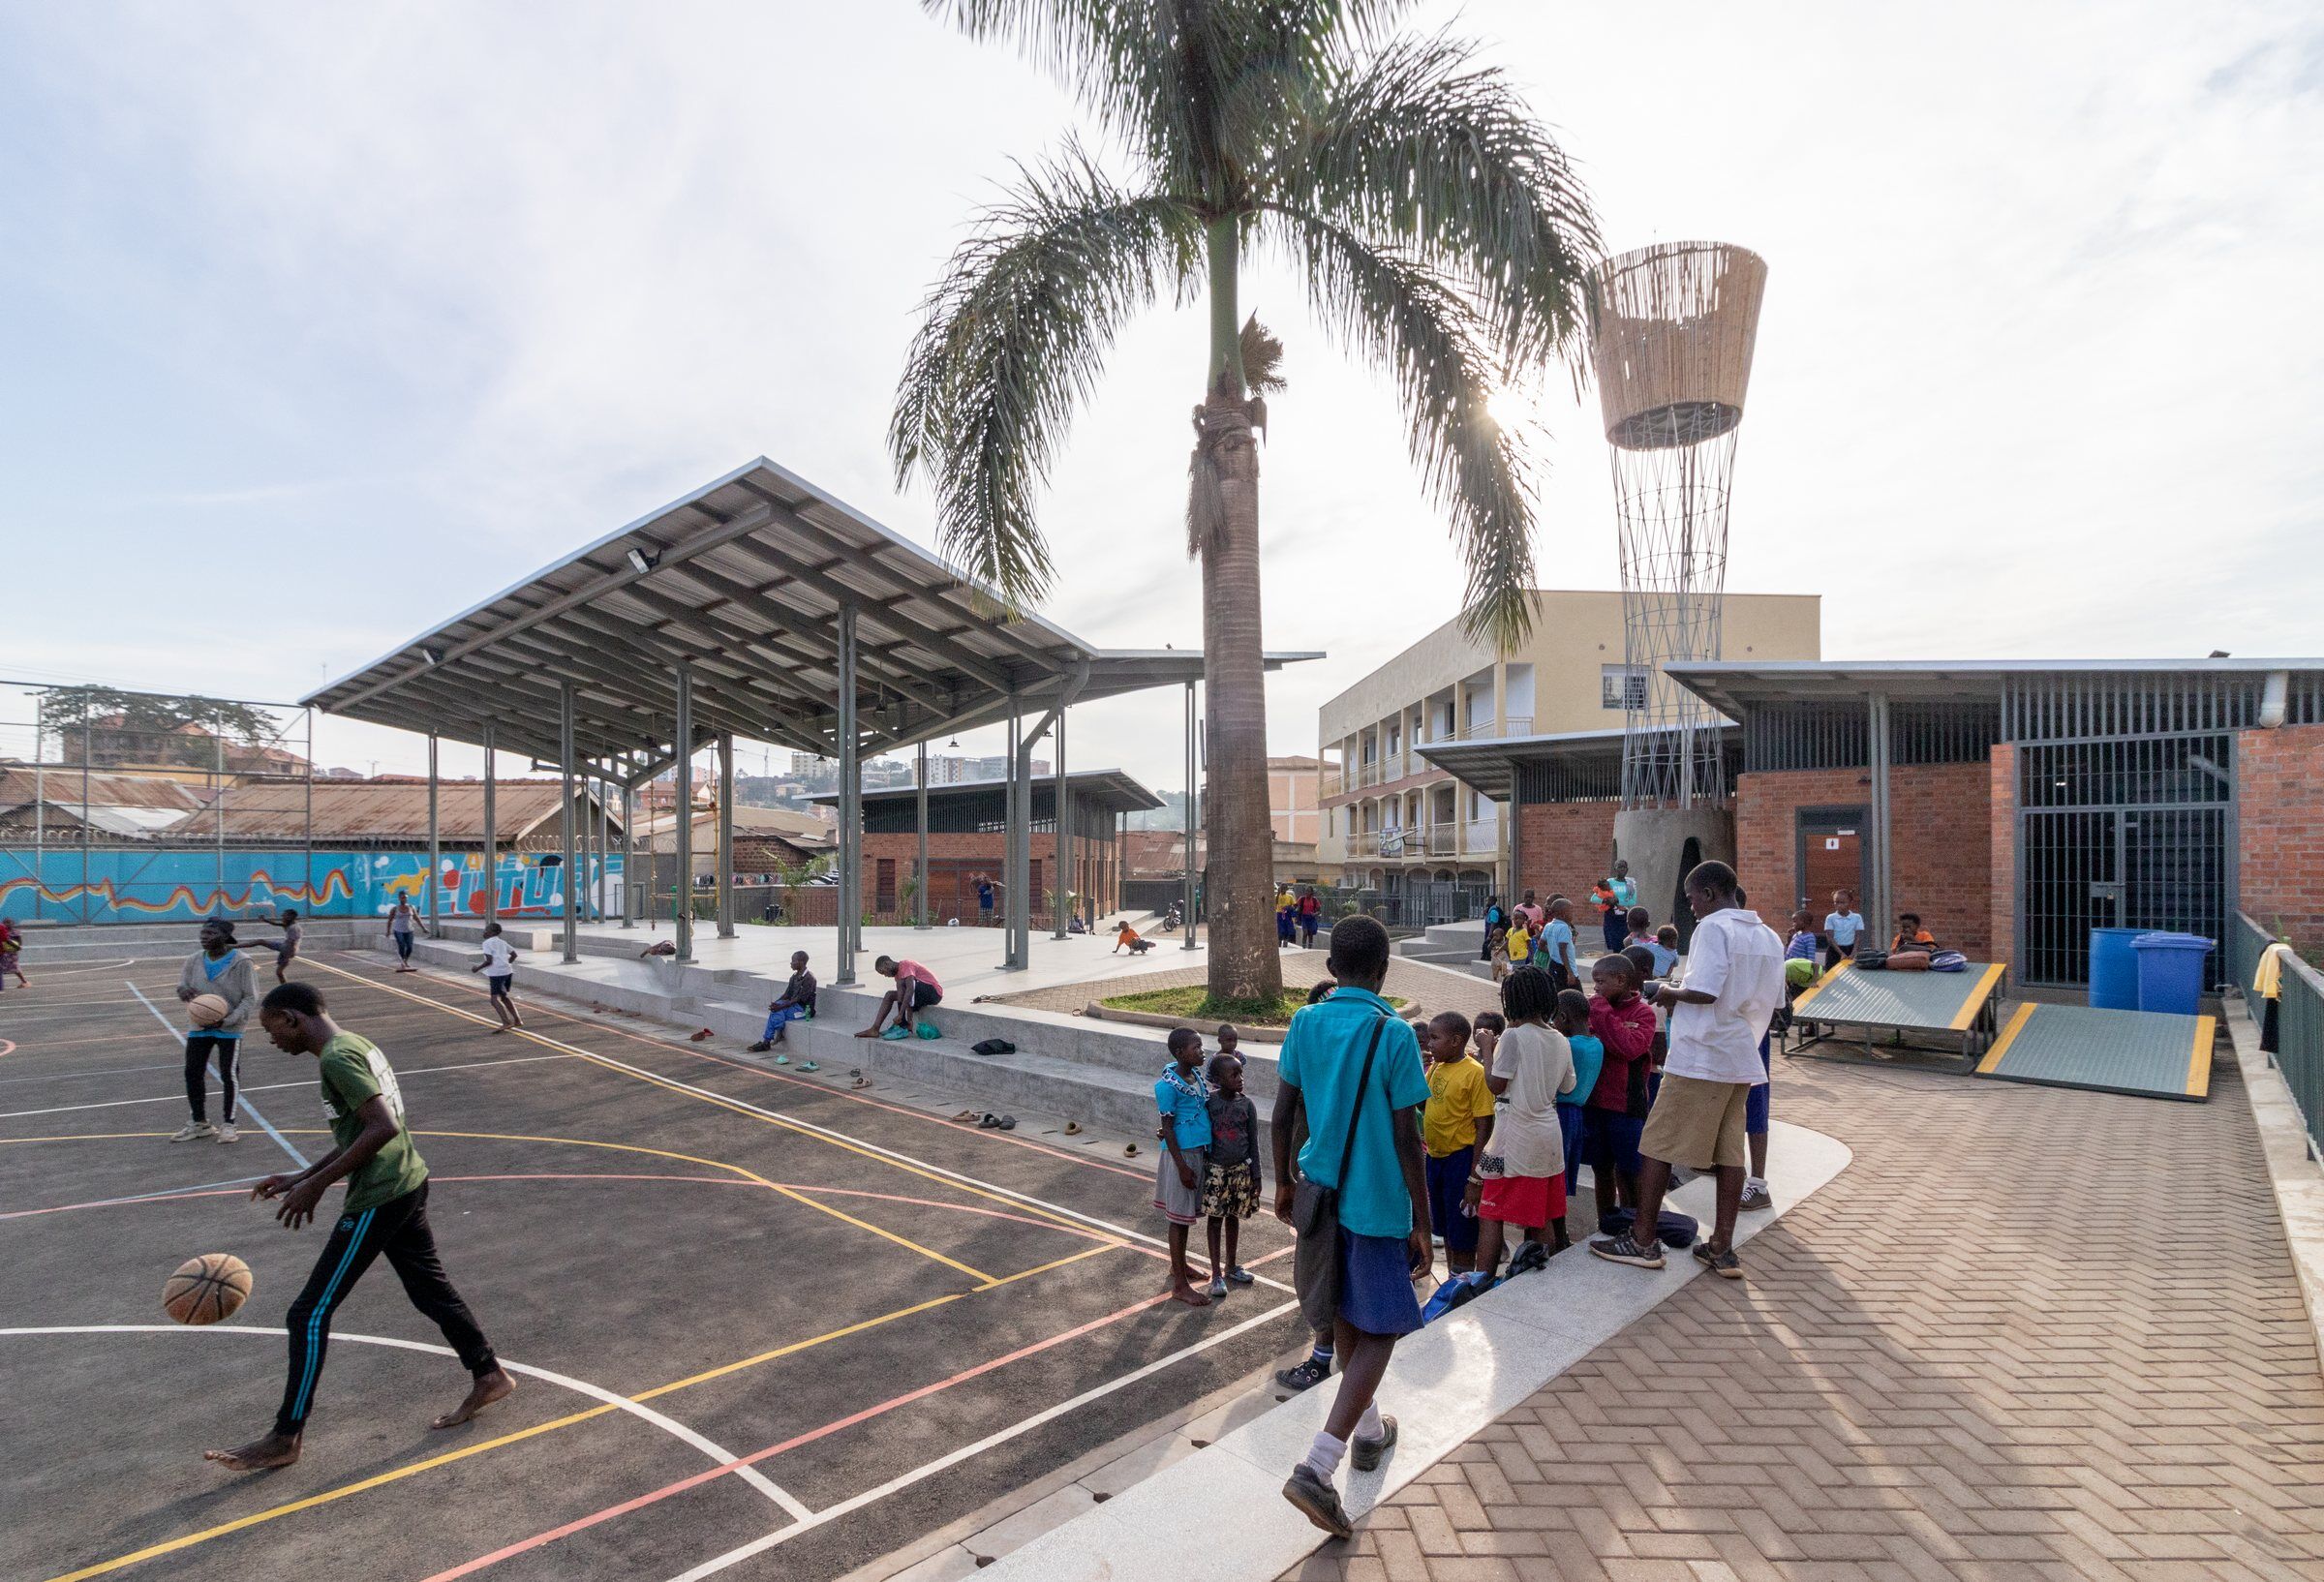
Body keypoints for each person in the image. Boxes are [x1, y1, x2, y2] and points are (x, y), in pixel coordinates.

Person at [204, 981, 511, 1472]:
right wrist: (303, 1175)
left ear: (292, 1018)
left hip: (382, 1194)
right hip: (407, 1180)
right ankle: (489, 1374)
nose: (271, 1039)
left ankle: (285, 1437)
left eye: (271, 1028)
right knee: (429, 1291)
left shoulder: (337, 1058)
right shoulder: (355, 1043)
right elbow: (360, 1129)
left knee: (308, 1313)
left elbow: (383, 1127)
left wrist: (318, 1185)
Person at [1271, 915, 1430, 1537]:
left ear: (1331, 969)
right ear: (1385, 971)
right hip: (1376, 1203)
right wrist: (1424, 1220)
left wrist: (1284, 1183)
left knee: (1342, 1314)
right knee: (1384, 1329)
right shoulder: (1395, 1033)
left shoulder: (1305, 1022)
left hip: (1319, 1192)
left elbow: (1284, 1112)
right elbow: (1408, 1137)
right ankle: (1318, 1466)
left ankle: (1368, 1432)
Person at [1592, 861, 1782, 1279]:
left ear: (1710, 894)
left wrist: (1666, 991)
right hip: (1740, 1055)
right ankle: (1722, 1247)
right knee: (1730, 1155)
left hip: (1701, 1055)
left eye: (1692, 898)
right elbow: (1775, 1002)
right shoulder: (1768, 935)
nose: (1691, 906)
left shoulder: (1714, 928)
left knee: (1656, 1145)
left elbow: (1705, 991)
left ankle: (1642, 1241)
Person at [1468, 966, 1573, 1276]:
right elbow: (1568, 1086)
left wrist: (1487, 1049)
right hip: (1548, 1136)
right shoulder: (1559, 1039)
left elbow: (1495, 1084)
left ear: (1511, 1001)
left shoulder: (1513, 1036)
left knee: (1491, 1211)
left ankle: (1482, 1284)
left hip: (1515, 1137)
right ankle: (1539, 1282)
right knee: (1540, 1216)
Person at [1276, 977, 1342, 1395]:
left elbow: (1281, 1116)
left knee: (1322, 1270)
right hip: (1318, 1176)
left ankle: (1322, 1358)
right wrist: (1286, 1179)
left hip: (1327, 1180)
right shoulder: (1381, 1032)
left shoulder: (1329, 1049)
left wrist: (1285, 1182)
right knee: (1327, 1266)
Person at [1421, 1010, 1494, 1275]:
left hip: (1460, 1161)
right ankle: (1453, 1279)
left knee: (1463, 1231)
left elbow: (1484, 1126)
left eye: (1435, 1038)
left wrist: (1475, 1178)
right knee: (1446, 1229)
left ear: (1455, 1041)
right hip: (1436, 1158)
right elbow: (1423, 1103)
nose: (1430, 1044)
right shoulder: (1437, 1068)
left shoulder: (1475, 1073)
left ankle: (1463, 1281)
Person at [1584, 954, 1658, 1217]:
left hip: (1626, 1107)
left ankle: (1636, 1222)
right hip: (1595, 1103)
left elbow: (1628, 1048)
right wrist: (1615, 1025)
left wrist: (1602, 1013)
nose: (1596, 988)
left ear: (1621, 979)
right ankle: (1606, 1221)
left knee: (1630, 1169)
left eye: (1601, 982)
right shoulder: (1595, 1009)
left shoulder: (1643, 1013)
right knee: (1601, 1168)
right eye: (1594, 983)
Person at [172, 918, 256, 1143]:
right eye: (202, 933)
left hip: (230, 1027)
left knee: (229, 1074)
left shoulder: (241, 961)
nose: (204, 937)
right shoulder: (194, 959)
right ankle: (199, 1123)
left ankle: (229, 1124)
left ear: (225, 937)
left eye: (210, 934)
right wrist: (183, 992)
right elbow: (182, 985)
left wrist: (228, 1020)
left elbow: (250, 997)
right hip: (199, 1025)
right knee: (192, 1072)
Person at [1154, 1028, 1212, 1306]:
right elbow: (1167, 1127)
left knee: (1185, 1216)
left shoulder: (1195, 1077)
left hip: (1196, 1150)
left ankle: (1180, 1266)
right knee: (1178, 1219)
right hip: (1182, 1156)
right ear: (1180, 1053)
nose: (1202, 1051)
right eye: (1196, 1047)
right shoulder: (1167, 1086)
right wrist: (1182, 1167)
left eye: (1201, 1046)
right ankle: (1180, 1284)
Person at [1202, 1051, 1262, 1298]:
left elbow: (1253, 1143)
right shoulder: (1209, 1103)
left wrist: (1256, 1176)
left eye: (1241, 1074)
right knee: (1215, 1220)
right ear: (1217, 1079)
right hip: (1216, 1171)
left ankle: (1232, 1266)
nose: (1240, 1079)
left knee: (1234, 1216)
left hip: (1240, 1171)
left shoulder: (1247, 1105)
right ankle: (1216, 1274)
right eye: (1234, 1075)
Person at [1551, 988, 1602, 1248]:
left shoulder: (1568, 1046)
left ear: (1563, 1017)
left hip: (1559, 1113)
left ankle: (1558, 1235)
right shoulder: (1596, 1045)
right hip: (1577, 1115)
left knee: (1553, 1177)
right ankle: (1561, 1234)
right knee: (1562, 1178)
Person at [857, 955, 941, 1038]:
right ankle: (875, 1029)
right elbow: (908, 996)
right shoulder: (898, 976)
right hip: (920, 995)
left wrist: (900, 1014)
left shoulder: (906, 965)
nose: (885, 976)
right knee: (889, 995)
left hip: (934, 992)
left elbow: (910, 990)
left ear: (887, 964)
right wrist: (910, 1020)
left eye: (883, 972)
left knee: (901, 983)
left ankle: (901, 1025)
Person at [748, 951, 816, 1051]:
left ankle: (769, 1040)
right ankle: (770, 1039)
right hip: (793, 1007)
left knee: (778, 1011)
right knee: (776, 1010)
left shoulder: (809, 978)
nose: (791, 963)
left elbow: (799, 999)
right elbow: (787, 994)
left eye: (793, 961)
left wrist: (780, 1006)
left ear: (801, 962)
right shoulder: (794, 977)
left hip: (805, 1010)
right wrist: (776, 1003)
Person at [471, 922, 523, 1032]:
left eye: (486, 930)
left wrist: (477, 968)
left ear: (492, 932)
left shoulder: (487, 943)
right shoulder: (502, 942)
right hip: (507, 972)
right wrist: (505, 963)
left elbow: (489, 961)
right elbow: (514, 955)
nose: (484, 932)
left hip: (496, 973)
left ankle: (506, 1022)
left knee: (494, 999)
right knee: (504, 997)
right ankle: (517, 1020)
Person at [248, 908, 303, 987]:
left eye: (284, 915)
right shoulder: (289, 924)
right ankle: (285, 987)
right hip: (284, 947)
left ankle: (235, 946)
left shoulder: (294, 928)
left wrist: (289, 955)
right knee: (279, 972)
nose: (282, 917)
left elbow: (294, 942)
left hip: (287, 950)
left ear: (290, 917)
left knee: (261, 942)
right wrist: (265, 920)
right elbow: (276, 924)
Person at [1596, 859, 1637, 952]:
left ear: (1627, 869)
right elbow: (1595, 898)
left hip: (1625, 919)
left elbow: (1633, 901)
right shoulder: (1609, 882)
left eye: (1624, 867)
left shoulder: (1630, 883)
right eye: (1619, 867)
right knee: (1614, 946)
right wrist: (1607, 900)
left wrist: (1618, 900)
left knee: (1625, 945)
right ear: (1615, 869)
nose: (1622, 869)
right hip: (1611, 918)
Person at [1538, 897, 1578, 992]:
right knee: (1576, 995)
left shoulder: (1548, 926)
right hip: (1565, 967)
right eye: (1571, 912)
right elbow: (1562, 951)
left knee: (1558, 993)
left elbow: (1541, 946)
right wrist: (1570, 973)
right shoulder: (1563, 928)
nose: (1573, 915)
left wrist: (1552, 951)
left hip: (1553, 965)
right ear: (1563, 915)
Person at [1823, 888, 1865, 970]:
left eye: (1842, 902)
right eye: (1836, 902)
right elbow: (1830, 938)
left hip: (1851, 950)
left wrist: (1854, 952)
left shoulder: (1857, 917)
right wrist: (1841, 953)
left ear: (1850, 903)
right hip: (1834, 950)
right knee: (1832, 974)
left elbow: (1858, 937)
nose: (1839, 905)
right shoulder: (1831, 918)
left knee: (1850, 974)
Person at [1784, 909, 1821, 992]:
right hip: (1791, 973)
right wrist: (1789, 939)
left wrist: (1813, 981)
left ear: (1804, 922)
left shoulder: (1809, 937)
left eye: (1795, 921)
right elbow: (1787, 953)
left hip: (1800, 973)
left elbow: (1811, 961)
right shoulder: (1796, 935)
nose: (1793, 924)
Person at [385, 896, 420, 974]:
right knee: (401, 945)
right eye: (402, 898)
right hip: (398, 930)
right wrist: (388, 931)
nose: (404, 899)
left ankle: (405, 961)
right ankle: (402, 963)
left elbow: (417, 918)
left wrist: (423, 928)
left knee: (410, 947)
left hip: (409, 930)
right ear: (399, 898)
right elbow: (390, 920)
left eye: (405, 898)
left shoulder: (411, 907)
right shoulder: (395, 909)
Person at [0, 916, 23, 989]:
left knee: (15, 967)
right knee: (2, 968)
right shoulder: (3, 930)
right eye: (5, 922)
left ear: (13, 923)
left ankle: (24, 981)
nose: (7, 924)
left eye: (9, 922)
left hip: (12, 952)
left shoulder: (16, 932)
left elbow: (19, 942)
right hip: (4, 952)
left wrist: (18, 946)